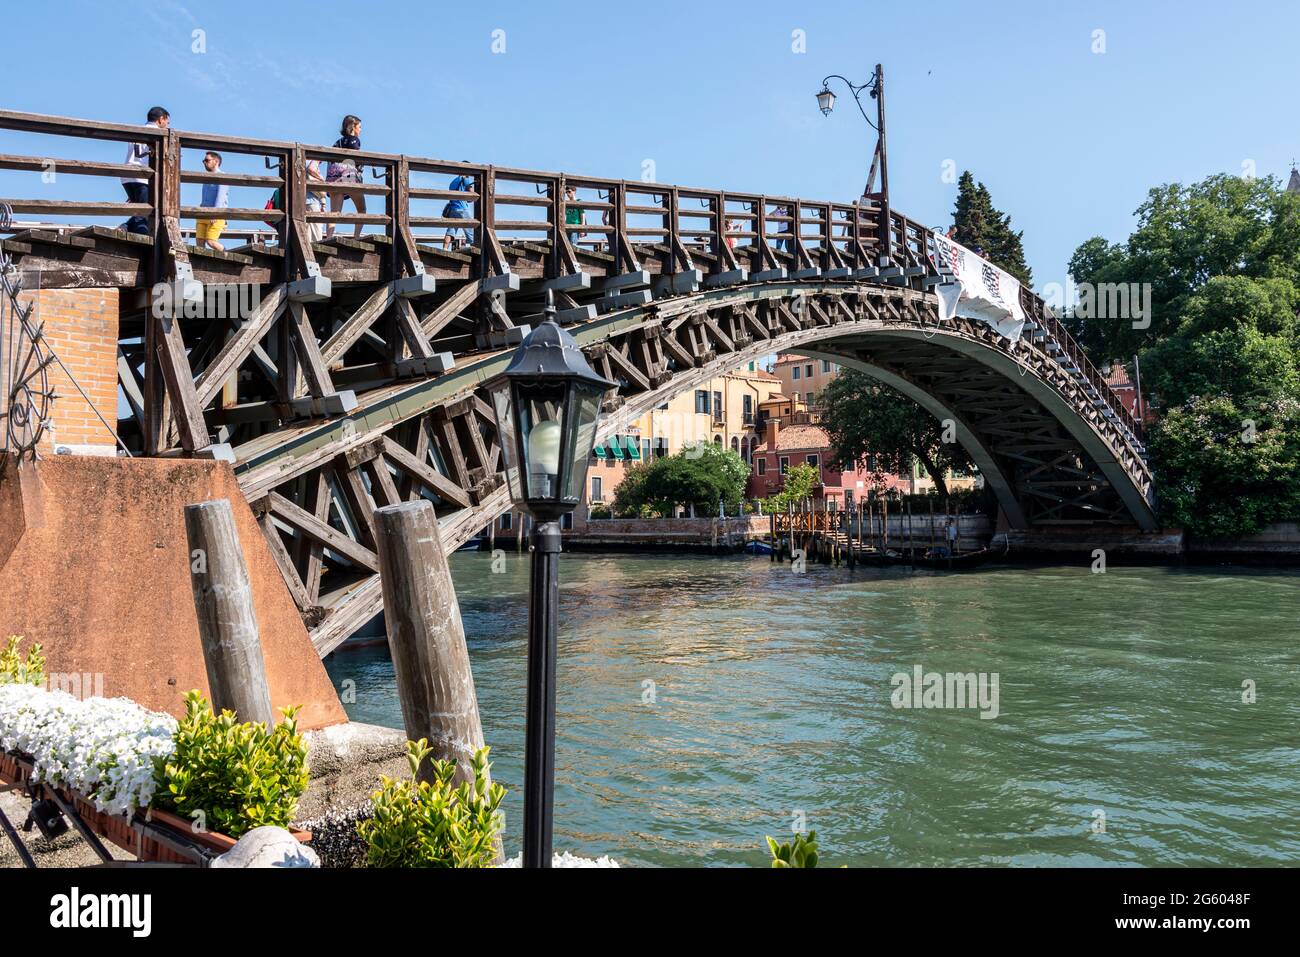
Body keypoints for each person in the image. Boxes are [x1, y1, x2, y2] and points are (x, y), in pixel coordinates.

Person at [120, 106, 169, 235]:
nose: (166, 125)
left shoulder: (136, 131)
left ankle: (133, 232)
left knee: (142, 210)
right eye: (167, 122)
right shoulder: (158, 134)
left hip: (127, 176)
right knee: (146, 212)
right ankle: (128, 228)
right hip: (143, 176)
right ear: (161, 119)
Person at [325, 115, 365, 238]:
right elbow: (356, 158)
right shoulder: (355, 140)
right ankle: (356, 237)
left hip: (334, 177)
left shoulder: (337, 143)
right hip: (349, 176)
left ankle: (329, 237)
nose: (361, 130)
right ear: (353, 127)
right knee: (362, 210)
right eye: (359, 127)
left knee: (334, 213)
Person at [195, 151, 229, 251]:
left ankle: (227, 254)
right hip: (202, 214)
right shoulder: (206, 177)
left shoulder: (223, 175)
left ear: (216, 161)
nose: (205, 162)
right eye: (204, 161)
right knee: (199, 243)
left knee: (211, 241)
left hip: (216, 215)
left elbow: (221, 197)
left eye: (207, 160)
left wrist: (215, 213)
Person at [442, 168, 475, 249]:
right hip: (463, 209)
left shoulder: (452, 182)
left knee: (450, 231)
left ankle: (445, 249)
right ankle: (476, 250)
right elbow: (472, 194)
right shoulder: (465, 179)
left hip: (453, 209)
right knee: (471, 232)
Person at [305, 156, 326, 242]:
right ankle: (316, 250)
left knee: (308, 228)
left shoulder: (303, 161)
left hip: (303, 199)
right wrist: (321, 179)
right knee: (316, 226)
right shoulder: (314, 160)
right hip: (312, 199)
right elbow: (311, 169)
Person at [564, 185, 585, 250]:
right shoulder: (566, 203)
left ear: (574, 191)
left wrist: (582, 229)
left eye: (569, 192)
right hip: (567, 226)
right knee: (566, 245)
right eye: (566, 192)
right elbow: (565, 216)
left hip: (576, 226)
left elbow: (582, 215)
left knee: (573, 245)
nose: (568, 194)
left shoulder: (579, 201)